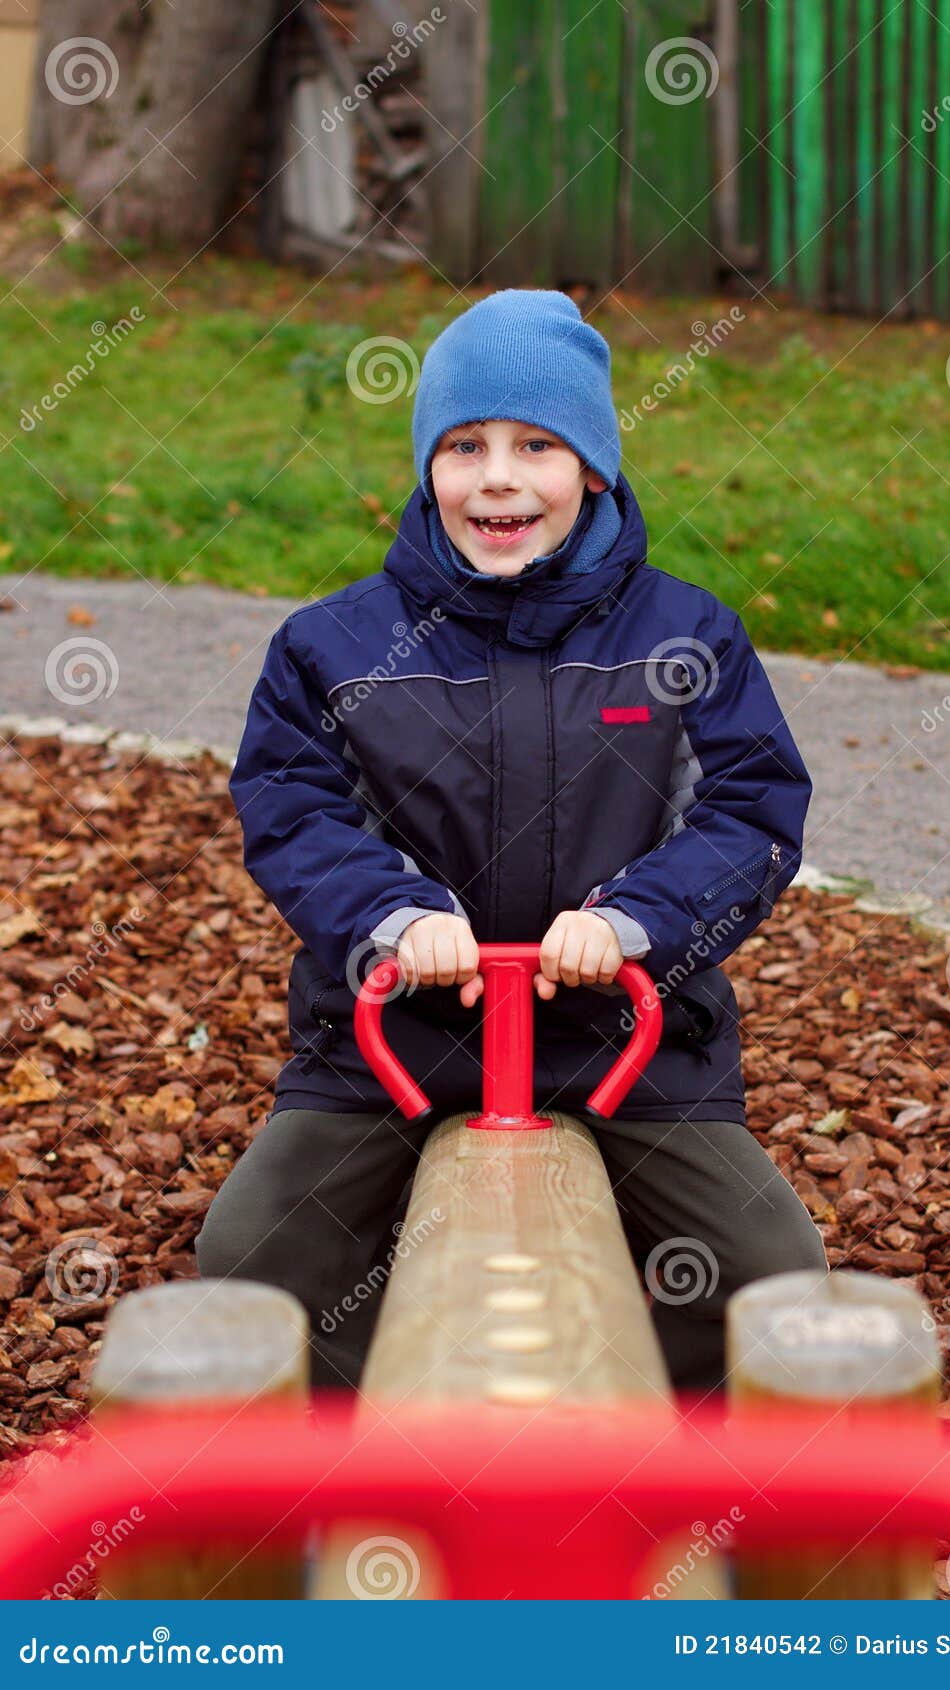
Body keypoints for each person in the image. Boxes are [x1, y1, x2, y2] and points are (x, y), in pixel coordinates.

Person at [195, 288, 827, 1394]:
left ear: (593, 469)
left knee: (767, 1270)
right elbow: (292, 806)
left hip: (621, 1034)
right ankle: (378, 1445)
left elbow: (751, 807)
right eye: (463, 445)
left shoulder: (683, 636)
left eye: (538, 444)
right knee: (254, 1251)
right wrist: (393, 916)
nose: (497, 475)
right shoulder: (332, 646)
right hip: (396, 1035)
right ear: (425, 468)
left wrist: (638, 921)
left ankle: (650, 1468)